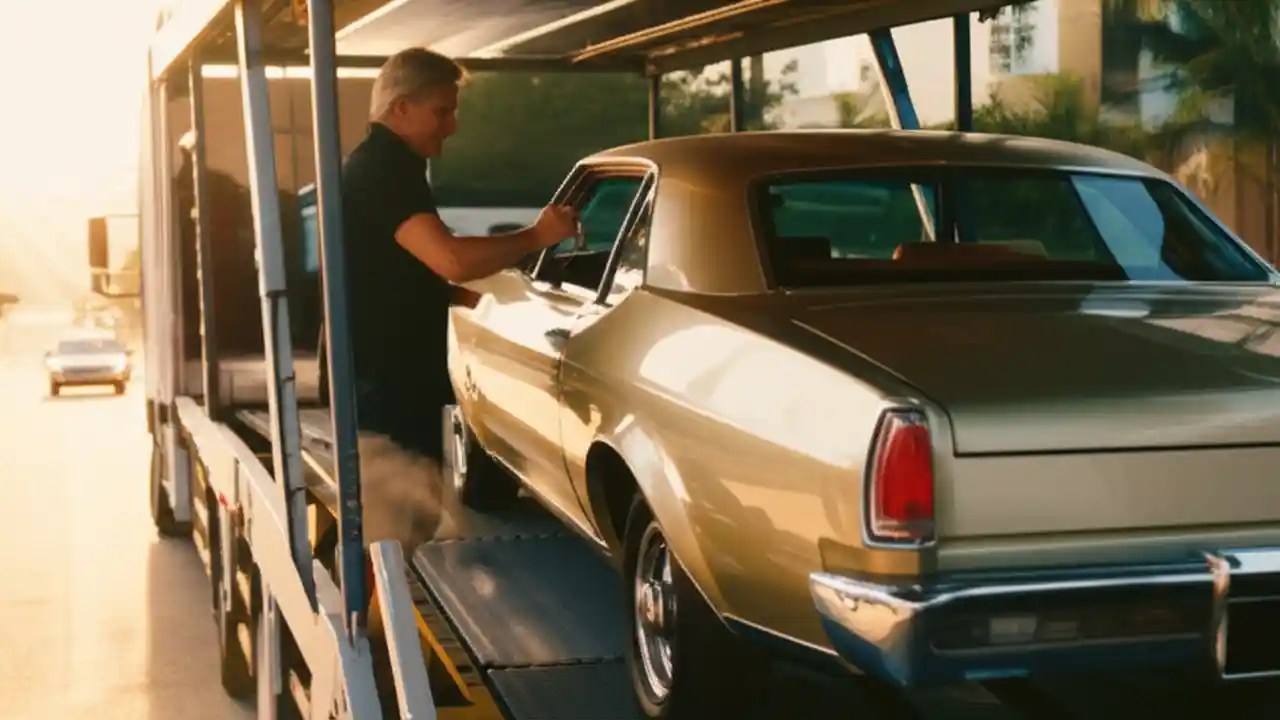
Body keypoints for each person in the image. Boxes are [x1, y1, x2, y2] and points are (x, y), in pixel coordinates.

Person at [333, 47, 578, 550]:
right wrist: (537, 235)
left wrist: (455, 296)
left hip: (386, 387)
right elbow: (449, 256)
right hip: (383, 394)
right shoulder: (383, 169)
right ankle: (364, 630)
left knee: (400, 533)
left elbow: (396, 266)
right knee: (388, 540)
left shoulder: (383, 165)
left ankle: (366, 622)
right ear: (401, 108)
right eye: (441, 112)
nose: (451, 127)